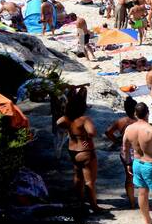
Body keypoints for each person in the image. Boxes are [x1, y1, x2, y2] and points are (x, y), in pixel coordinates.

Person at [56, 86, 108, 214]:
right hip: (85, 151)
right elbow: (92, 132)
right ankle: (94, 207)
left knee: (78, 177)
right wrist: (85, 136)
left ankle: (80, 201)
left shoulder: (67, 119)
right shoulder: (84, 119)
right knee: (90, 181)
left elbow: (58, 123)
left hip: (73, 150)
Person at [104, 97, 138, 201]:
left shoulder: (121, 121)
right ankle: (143, 201)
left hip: (125, 151)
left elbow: (108, 132)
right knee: (143, 178)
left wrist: (116, 141)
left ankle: (132, 202)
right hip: (138, 152)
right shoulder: (139, 122)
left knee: (129, 178)